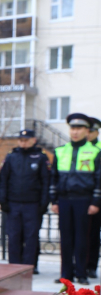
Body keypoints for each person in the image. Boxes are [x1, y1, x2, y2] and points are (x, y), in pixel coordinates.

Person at [50, 113, 101, 285]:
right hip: (64, 200)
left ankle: (81, 273)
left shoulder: (95, 152)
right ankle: (66, 274)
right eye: (73, 128)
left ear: (87, 131)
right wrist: (54, 200)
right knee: (65, 238)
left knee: (82, 238)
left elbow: (99, 179)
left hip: (83, 200)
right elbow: (54, 178)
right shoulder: (60, 151)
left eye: (79, 128)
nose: (75, 132)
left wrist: (95, 202)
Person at [0, 129, 50, 270]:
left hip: (32, 204)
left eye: (26, 140)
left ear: (33, 140)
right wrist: (3, 200)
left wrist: (44, 202)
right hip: (13, 203)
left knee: (31, 237)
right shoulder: (11, 157)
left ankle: (29, 267)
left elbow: (46, 181)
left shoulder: (40, 157)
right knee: (14, 237)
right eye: (21, 140)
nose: (23, 143)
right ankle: (14, 267)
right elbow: (3, 180)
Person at [85, 117, 101, 277]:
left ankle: (91, 266)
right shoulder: (80, 148)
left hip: (97, 198)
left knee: (94, 234)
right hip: (82, 197)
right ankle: (81, 264)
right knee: (82, 233)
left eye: (91, 131)